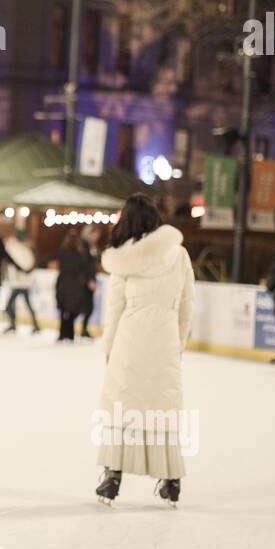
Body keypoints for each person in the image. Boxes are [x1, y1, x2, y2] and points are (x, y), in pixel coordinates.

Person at [95, 194, 195, 507]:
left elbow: (114, 308)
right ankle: (171, 480)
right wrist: (177, 343)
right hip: (164, 337)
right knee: (163, 408)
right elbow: (187, 304)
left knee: (121, 408)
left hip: (130, 338)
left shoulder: (124, 258)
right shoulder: (179, 255)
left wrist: (109, 347)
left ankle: (113, 477)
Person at [48, 231, 95, 342]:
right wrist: (89, 279)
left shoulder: (62, 252)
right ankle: (69, 333)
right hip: (75, 285)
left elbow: (46, 259)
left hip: (64, 283)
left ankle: (64, 333)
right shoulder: (81, 255)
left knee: (64, 310)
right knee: (72, 309)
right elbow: (87, 268)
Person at [2, 229, 40, 334]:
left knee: (9, 305)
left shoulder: (17, 249)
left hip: (19, 283)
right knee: (25, 304)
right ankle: (35, 324)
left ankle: (13, 324)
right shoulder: (25, 250)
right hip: (22, 282)